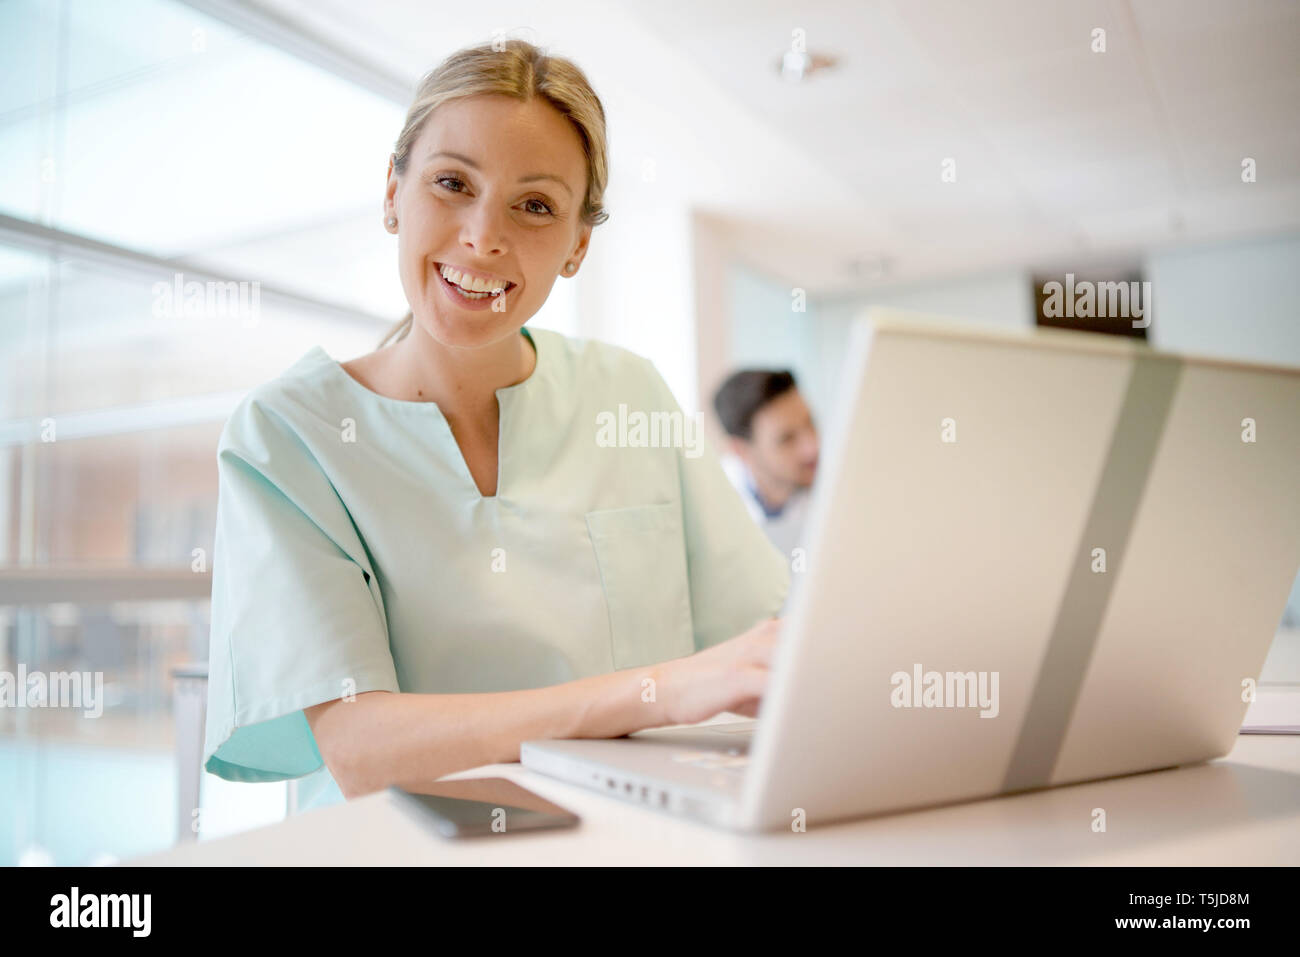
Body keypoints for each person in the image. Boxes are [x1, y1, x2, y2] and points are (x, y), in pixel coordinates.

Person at [201, 40, 788, 812]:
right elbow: (361, 747)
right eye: (452, 183)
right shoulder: (288, 436)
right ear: (392, 192)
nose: (483, 236)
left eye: (535, 204)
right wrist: (655, 692)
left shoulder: (629, 396)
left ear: (578, 244)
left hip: (636, 839)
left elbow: (762, 643)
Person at [713, 370, 819, 562]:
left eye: (810, 423)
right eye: (787, 439)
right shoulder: (711, 515)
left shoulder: (837, 484)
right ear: (741, 451)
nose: (812, 447)